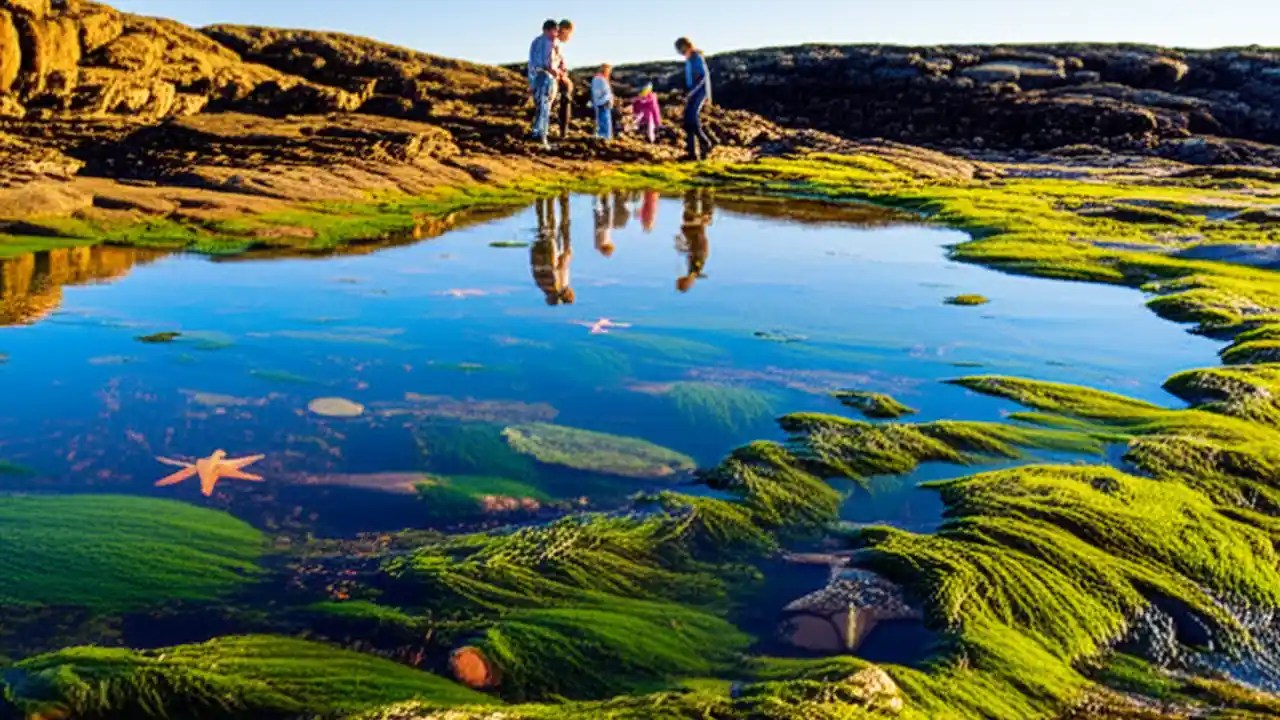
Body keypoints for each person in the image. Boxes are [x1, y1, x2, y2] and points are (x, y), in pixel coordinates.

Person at [675, 37, 714, 161]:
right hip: (692, 92)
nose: (680, 52)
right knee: (688, 121)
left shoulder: (696, 58)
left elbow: (702, 77)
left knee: (692, 118)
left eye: (681, 49)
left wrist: (692, 92)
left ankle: (706, 143)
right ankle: (692, 153)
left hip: (699, 93)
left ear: (686, 47)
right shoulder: (689, 60)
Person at [532, 195, 575, 304]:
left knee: (551, 225)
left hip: (550, 254)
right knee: (542, 225)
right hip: (537, 253)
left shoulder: (560, 284)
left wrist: (567, 253)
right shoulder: (540, 285)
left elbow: (562, 265)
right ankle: (541, 201)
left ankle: (549, 200)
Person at [527, 20, 560, 149]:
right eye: (555, 30)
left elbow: (532, 63)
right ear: (548, 30)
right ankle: (542, 136)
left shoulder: (535, 42)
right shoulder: (548, 42)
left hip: (536, 77)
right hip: (545, 76)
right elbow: (548, 63)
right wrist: (555, 71)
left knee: (541, 106)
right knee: (545, 107)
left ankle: (537, 132)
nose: (556, 34)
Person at [675, 189, 713, 292]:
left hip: (694, 229)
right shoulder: (695, 267)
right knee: (697, 205)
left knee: (696, 205)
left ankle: (700, 192)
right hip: (694, 228)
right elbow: (701, 246)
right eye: (679, 281)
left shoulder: (694, 268)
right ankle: (701, 191)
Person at [555, 20, 575, 139]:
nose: (569, 37)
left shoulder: (556, 43)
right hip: (554, 80)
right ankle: (563, 131)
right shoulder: (554, 43)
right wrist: (563, 77)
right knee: (565, 100)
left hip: (557, 78)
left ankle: (563, 130)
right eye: (570, 34)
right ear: (565, 30)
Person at [591, 64, 615, 140]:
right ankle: (605, 136)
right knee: (604, 121)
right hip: (602, 103)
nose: (609, 73)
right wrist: (605, 100)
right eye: (608, 71)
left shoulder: (601, 78)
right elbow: (598, 92)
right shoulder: (599, 79)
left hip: (603, 103)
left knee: (605, 120)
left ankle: (605, 136)